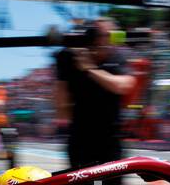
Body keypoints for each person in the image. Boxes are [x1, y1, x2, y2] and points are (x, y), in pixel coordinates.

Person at [55, 19, 134, 174]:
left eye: (110, 35)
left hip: (110, 139)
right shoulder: (70, 58)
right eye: (102, 35)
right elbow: (61, 104)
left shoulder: (118, 56)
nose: (106, 41)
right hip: (81, 139)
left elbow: (123, 85)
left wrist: (89, 68)